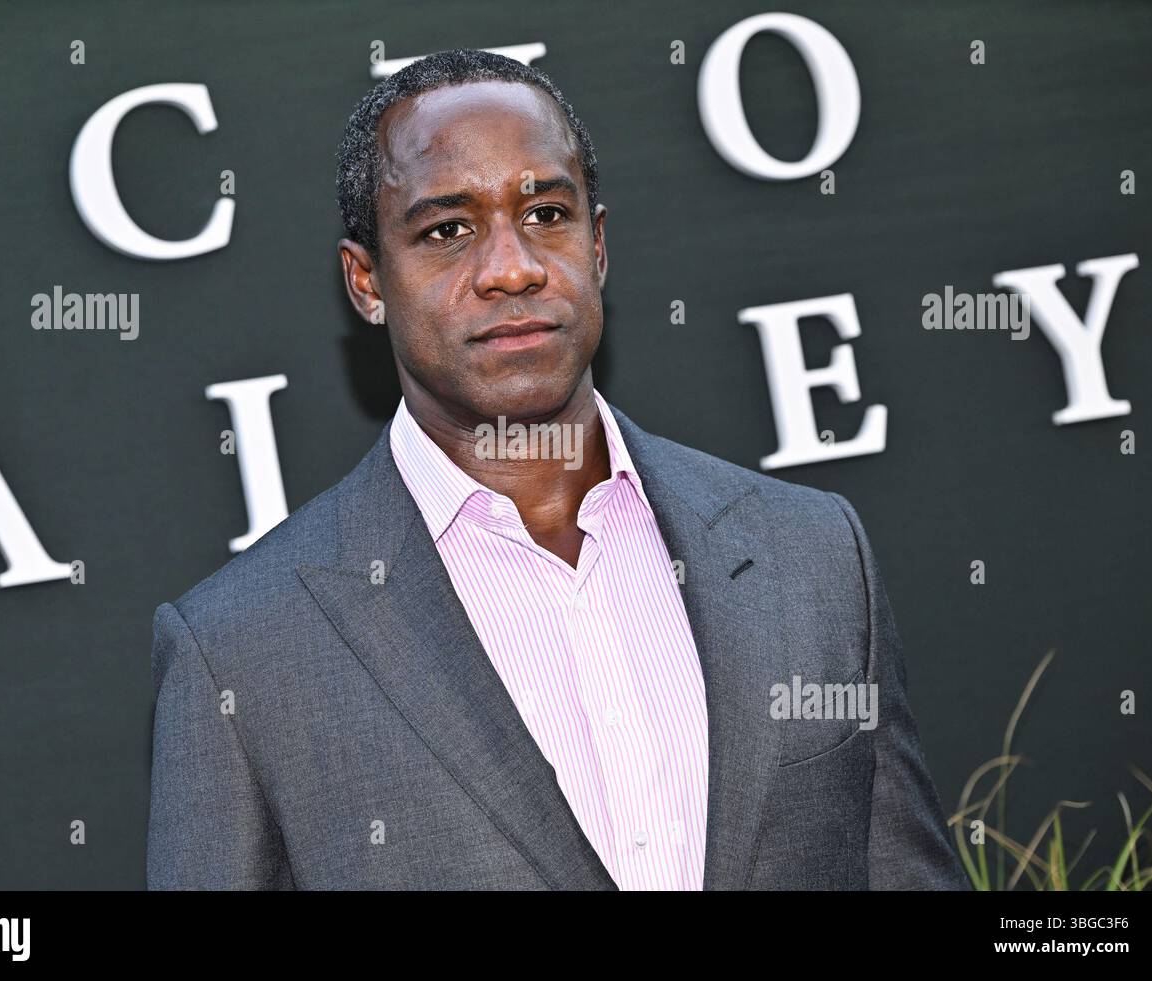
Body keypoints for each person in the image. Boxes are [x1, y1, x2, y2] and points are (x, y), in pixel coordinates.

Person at [147, 48, 967, 890]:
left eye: (544, 213)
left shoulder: (814, 554)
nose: (512, 267)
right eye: (447, 230)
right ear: (366, 282)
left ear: (598, 244)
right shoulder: (242, 656)